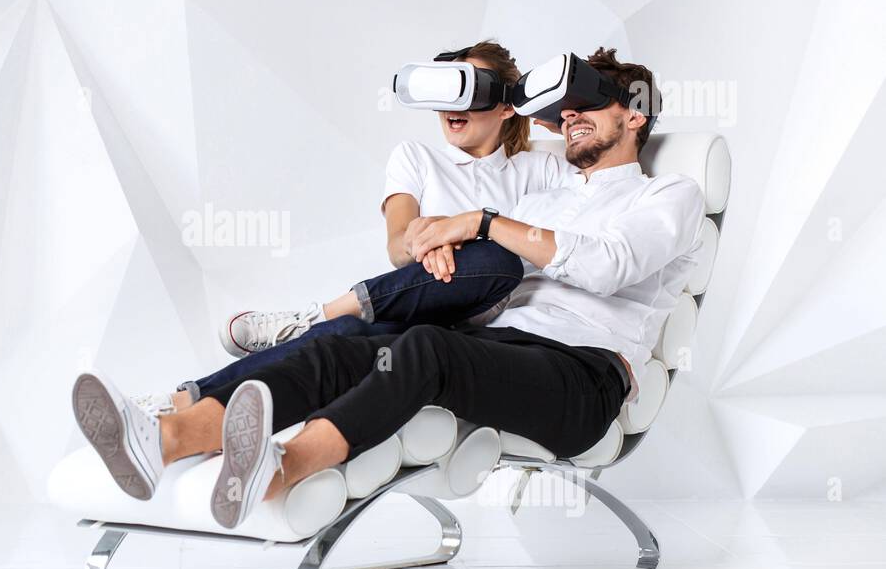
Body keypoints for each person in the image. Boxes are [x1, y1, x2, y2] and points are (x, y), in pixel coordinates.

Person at [71, 48, 706, 529]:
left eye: (588, 107)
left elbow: (608, 266)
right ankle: (162, 440)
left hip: (581, 379)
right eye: (563, 111)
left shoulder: (670, 195)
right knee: (341, 348)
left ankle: (280, 470)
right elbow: (480, 214)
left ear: (635, 114)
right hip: (502, 351)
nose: (569, 119)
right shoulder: (545, 192)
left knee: (427, 349)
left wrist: (487, 222)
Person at [136, 40, 564, 416]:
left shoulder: (537, 168)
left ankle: (317, 313)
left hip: (487, 321)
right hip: (417, 309)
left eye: (471, 93)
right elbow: (398, 247)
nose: (453, 109)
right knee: (335, 337)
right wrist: (424, 242)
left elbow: (587, 188)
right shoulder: (415, 157)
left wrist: (458, 231)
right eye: (448, 92)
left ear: (506, 107)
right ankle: (183, 403)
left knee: (496, 258)